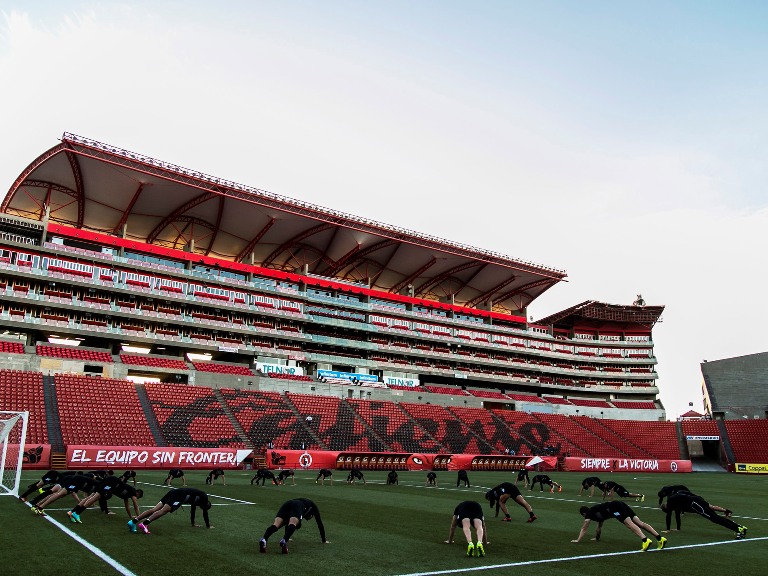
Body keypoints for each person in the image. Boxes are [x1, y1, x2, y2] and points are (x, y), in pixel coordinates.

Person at [572, 501, 667, 551]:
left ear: (584, 514)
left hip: (615, 507)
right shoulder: (597, 514)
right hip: (620, 504)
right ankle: (660, 538)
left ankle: (645, 540)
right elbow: (599, 528)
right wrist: (597, 538)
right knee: (639, 523)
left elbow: (584, 528)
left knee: (629, 524)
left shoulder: (589, 513)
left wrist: (578, 540)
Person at [662, 492, 747, 538]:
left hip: (695, 504)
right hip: (698, 499)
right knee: (715, 517)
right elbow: (677, 515)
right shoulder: (675, 499)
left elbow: (668, 515)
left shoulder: (670, 502)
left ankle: (738, 529)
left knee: (715, 519)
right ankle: (740, 527)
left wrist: (668, 529)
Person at [128, 487, 213, 534]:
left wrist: (193, 523)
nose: (201, 508)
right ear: (206, 505)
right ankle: (144, 524)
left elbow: (193, 510)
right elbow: (205, 512)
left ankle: (133, 522)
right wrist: (208, 525)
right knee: (165, 510)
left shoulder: (197, 500)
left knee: (155, 509)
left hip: (174, 492)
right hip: (180, 494)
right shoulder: (204, 497)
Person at [259, 498, 329, 554]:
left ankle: (264, 539)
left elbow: (287, 524)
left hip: (287, 503)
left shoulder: (305, 505)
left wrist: (287, 535)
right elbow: (319, 523)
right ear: (311, 514)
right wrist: (324, 540)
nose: (308, 519)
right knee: (293, 523)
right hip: (297, 504)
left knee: (276, 525)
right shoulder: (313, 507)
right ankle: (284, 541)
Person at [67, 476, 143, 522]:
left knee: (91, 497)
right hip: (111, 482)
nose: (136, 498)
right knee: (95, 498)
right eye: (138, 497)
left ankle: (72, 512)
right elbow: (135, 505)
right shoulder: (133, 491)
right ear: (137, 494)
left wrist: (130, 516)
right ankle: (77, 513)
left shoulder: (127, 495)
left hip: (109, 482)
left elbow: (127, 506)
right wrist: (139, 517)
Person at [32, 473, 99, 515]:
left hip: (70, 480)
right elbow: (97, 482)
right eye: (94, 476)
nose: (95, 477)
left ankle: (38, 505)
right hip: (71, 481)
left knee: (57, 494)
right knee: (58, 495)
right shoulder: (87, 479)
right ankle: (40, 507)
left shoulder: (83, 479)